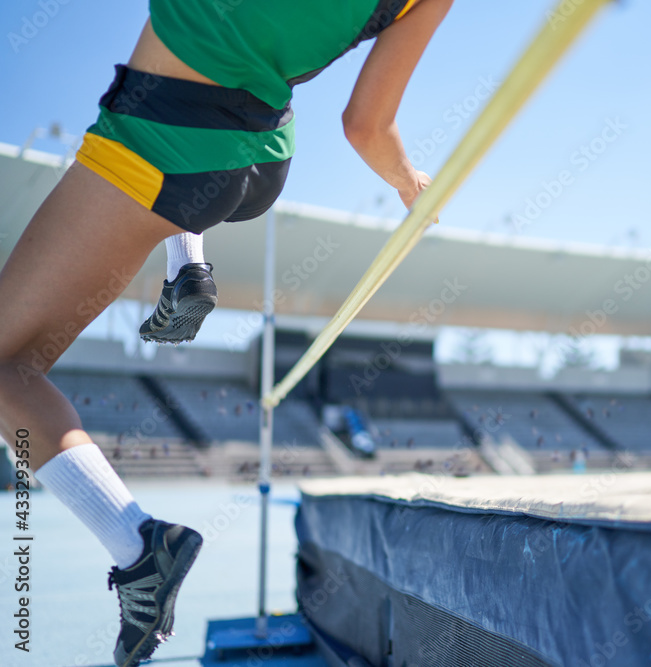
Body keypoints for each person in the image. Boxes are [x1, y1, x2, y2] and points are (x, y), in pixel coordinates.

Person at [0, 0, 453, 665]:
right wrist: (409, 183)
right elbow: (366, 125)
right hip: (260, 156)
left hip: (162, 139)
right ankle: (186, 260)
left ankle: (139, 549)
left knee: (5, 363)